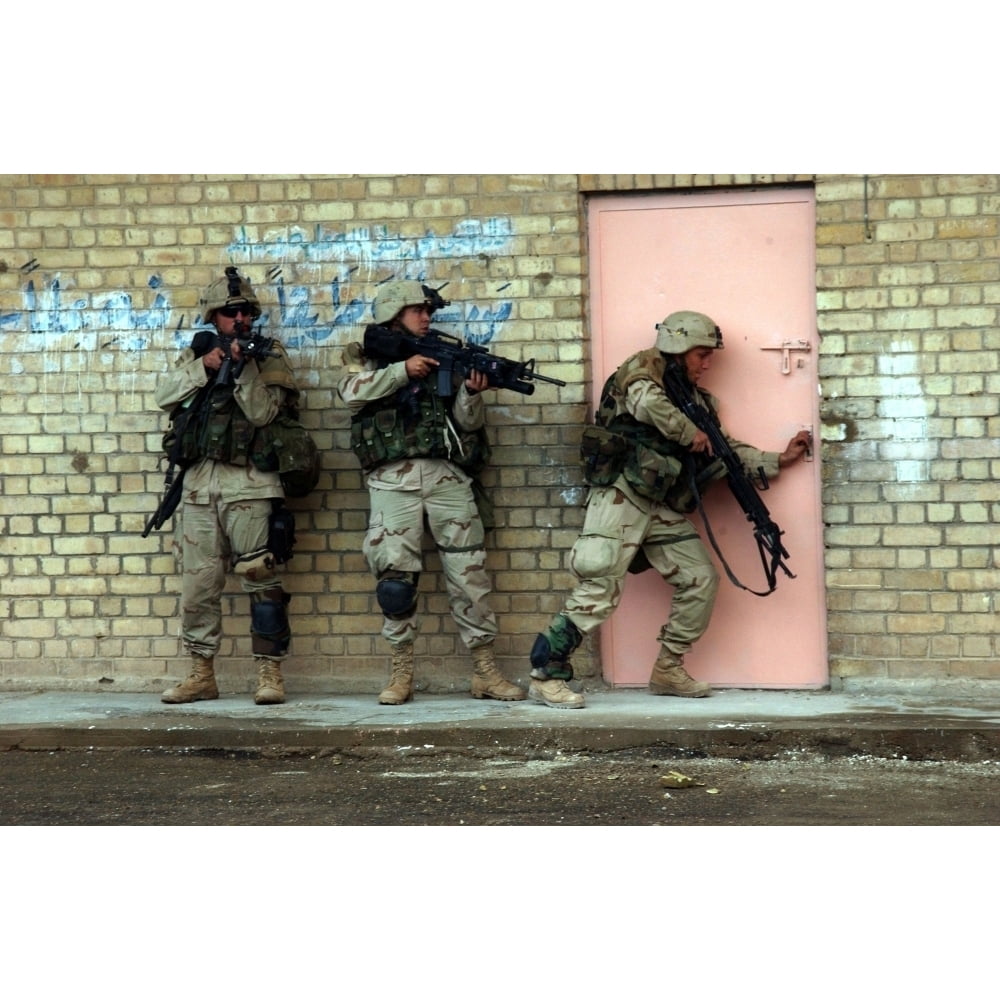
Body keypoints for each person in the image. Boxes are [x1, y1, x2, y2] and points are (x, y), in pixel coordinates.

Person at [528, 310, 812, 710]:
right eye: (701, 354)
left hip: (658, 503)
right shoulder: (643, 371)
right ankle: (546, 674)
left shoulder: (697, 402)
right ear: (678, 348)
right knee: (599, 584)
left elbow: (724, 450)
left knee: (699, 578)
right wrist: (687, 432)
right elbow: (648, 406)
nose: (707, 363)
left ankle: (667, 668)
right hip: (621, 495)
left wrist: (776, 459)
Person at [337, 280, 525, 705]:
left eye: (429, 312)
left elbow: (467, 424)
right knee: (395, 581)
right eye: (417, 310)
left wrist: (472, 393)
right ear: (392, 313)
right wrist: (403, 370)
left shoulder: (445, 354)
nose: (426, 318)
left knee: (469, 575)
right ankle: (401, 672)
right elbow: (350, 394)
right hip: (392, 481)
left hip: (446, 478)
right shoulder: (364, 354)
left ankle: (485, 672)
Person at [155, 266, 301, 706]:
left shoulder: (268, 356)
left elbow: (263, 415)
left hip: (250, 484)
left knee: (260, 578)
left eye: (244, 312)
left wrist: (243, 370)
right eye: (229, 312)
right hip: (200, 484)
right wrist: (206, 365)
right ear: (213, 317)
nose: (239, 319)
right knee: (198, 585)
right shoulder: (198, 352)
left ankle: (269, 674)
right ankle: (202, 674)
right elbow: (166, 395)